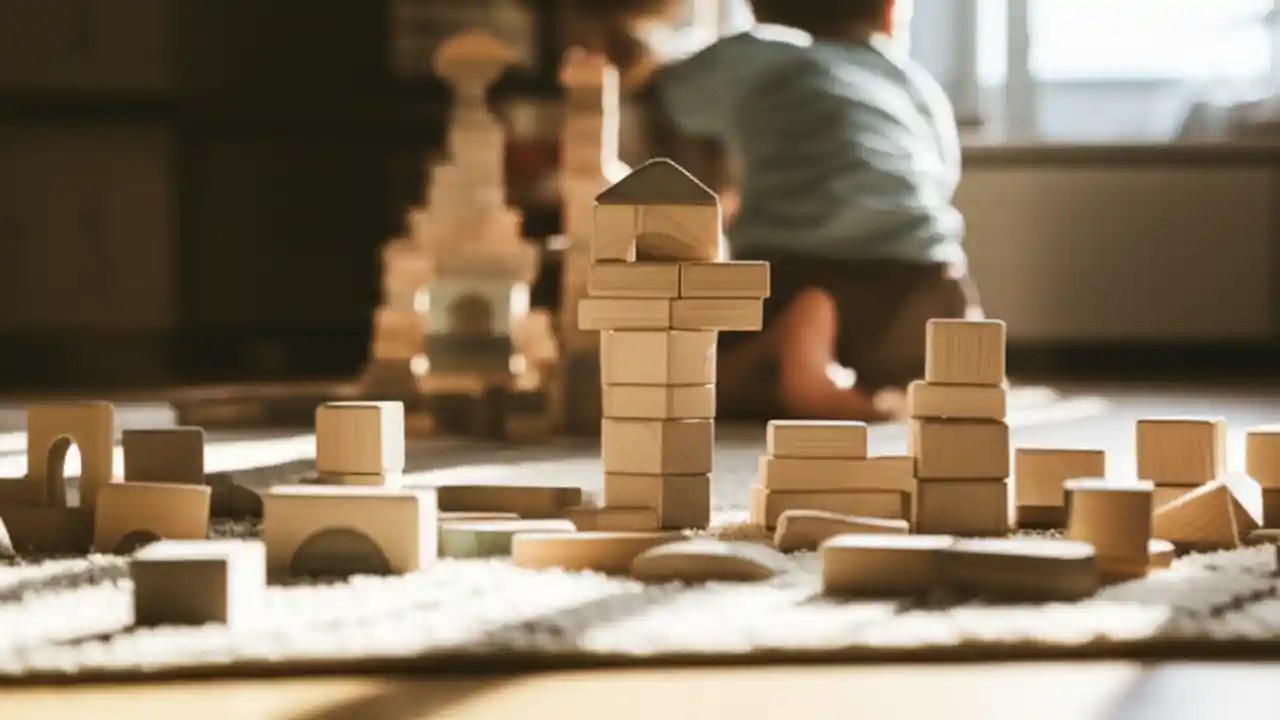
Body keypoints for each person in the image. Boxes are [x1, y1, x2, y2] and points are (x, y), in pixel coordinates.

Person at [629, 0, 983, 420]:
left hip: (794, 275)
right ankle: (868, 384)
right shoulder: (912, 81)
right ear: (890, 12)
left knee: (686, 375)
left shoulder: (758, 56)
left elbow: (666, 95)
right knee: (935, 363)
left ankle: (791, 351)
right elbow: (943, 175)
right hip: (921, 281)